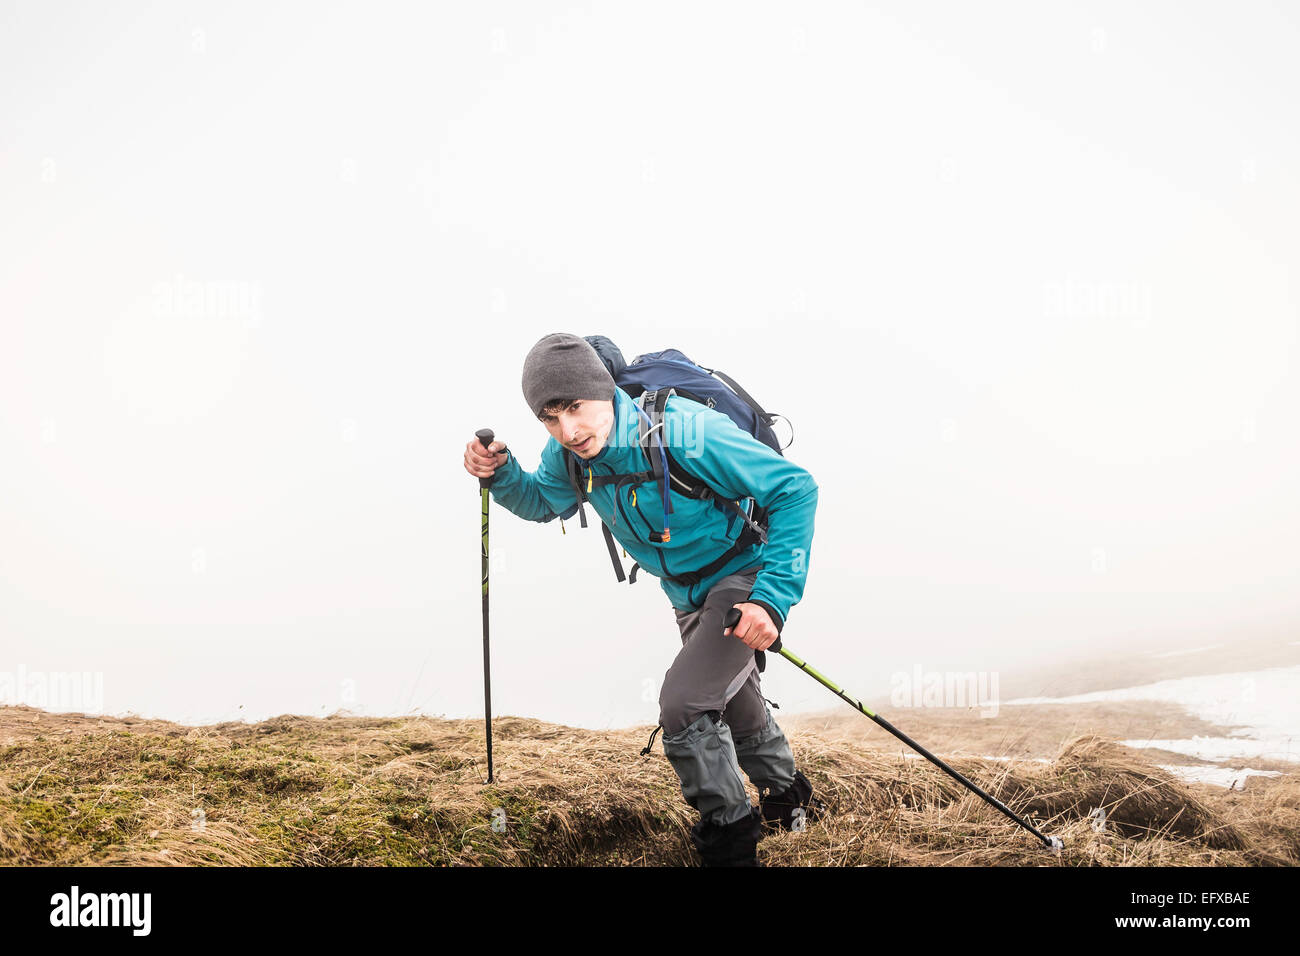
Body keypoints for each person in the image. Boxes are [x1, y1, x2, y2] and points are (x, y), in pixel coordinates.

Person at [462, 332, 825, 866]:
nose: (569, 430)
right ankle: (791, 804)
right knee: (735, 701)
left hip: (741, 572)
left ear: (603, 391)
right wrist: (504, 473)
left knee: (685, 706)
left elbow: (795, 489)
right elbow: (544, 502)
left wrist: (769, 601)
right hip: (683, 589)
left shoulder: (685, 430)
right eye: (550, 417)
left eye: (577, 409)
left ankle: (730, 842)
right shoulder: (568, 453)